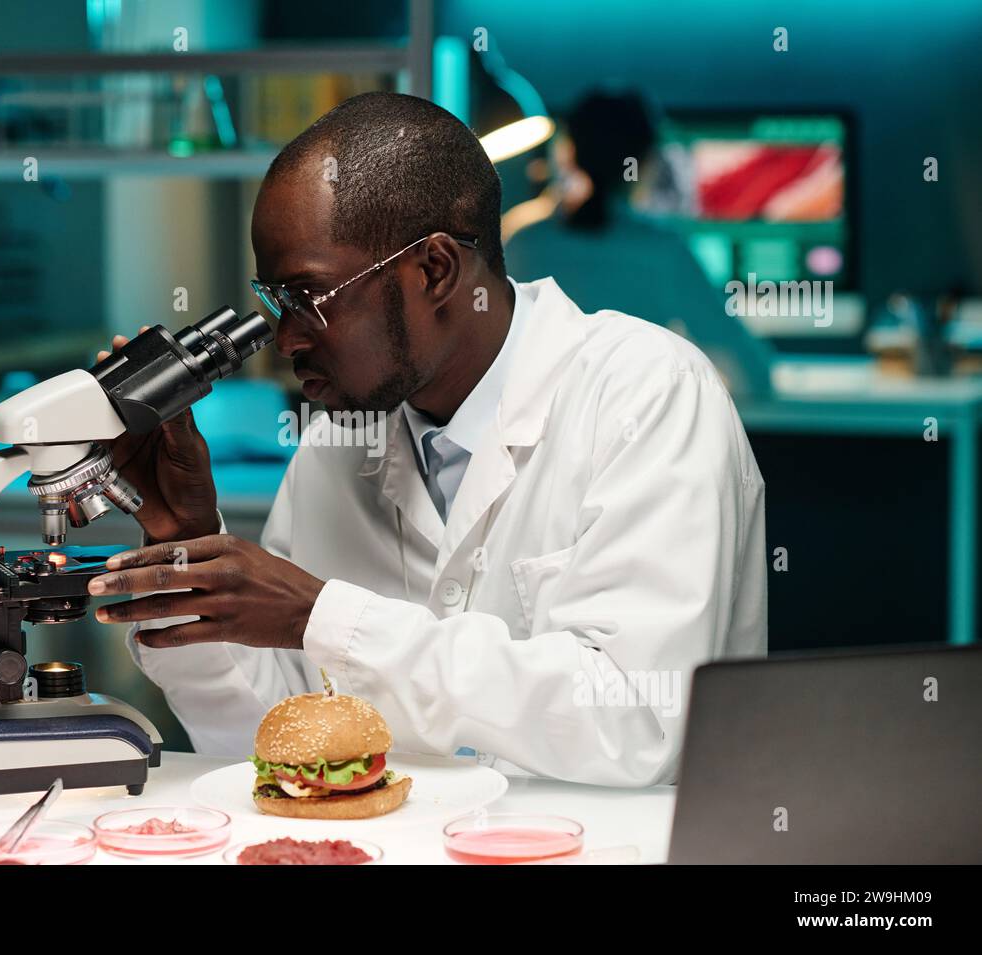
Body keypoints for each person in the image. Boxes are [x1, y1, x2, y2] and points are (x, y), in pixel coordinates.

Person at [88, 91, 766, 787]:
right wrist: (192, 549)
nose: (287, 339)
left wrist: (324, 616)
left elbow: (634, 719)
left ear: (436, 271)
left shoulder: (648, 396)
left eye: (308, 299)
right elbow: (270, 740)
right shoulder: (340, 441)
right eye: (274, 303)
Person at [504, 90, 773, 398]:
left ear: (570, 152)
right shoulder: (662, 251)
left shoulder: (522, 243)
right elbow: (753, 372)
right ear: (647, 161)